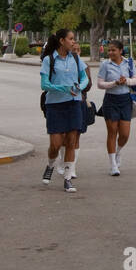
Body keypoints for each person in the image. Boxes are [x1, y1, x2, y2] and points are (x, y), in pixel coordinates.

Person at [40, 32, 87, 191]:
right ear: (62, 41)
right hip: (55, 105)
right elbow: (44, 84)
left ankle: (68, 178)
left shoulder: (75, 58)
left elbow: (84, 77)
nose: (74, 41)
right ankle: (50, 165)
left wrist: (79, 86)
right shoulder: (49, 60)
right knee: (55, 144)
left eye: (74, 38)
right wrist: (63, 88)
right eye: (71, 39)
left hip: (74, 104)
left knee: (71, 142)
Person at [96, 39, 135, 176]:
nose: (111, 52)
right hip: (111, 100)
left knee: (124, 134)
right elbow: (100, 84)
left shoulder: (129, 62)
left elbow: (135, 79)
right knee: (112, 132)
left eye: (113, 50)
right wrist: (115, 83)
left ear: (120, 50)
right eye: (109, 50)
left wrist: (126, 81)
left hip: (125, 100)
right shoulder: (105, 64)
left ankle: (118, 152)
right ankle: (113, 164)